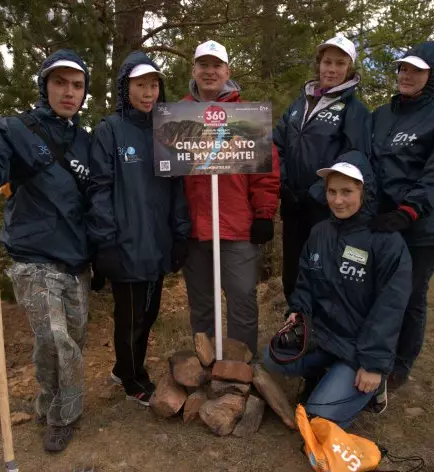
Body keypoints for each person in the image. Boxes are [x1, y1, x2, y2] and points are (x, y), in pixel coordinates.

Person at [0, 50, 93, 452]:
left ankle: (48, 400)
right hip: (34, 257)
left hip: (77, 260)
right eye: (60, 83)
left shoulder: (86, 142)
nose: (69, 92)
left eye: (77, 85)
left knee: (72, 340)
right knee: (55, 339)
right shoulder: (15, 131)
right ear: (44, 86)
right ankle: (63, 416)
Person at [264, 152, 411, 426]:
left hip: (359, 347)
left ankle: (373, 388)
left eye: (347, 191)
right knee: (271, 358)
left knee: (319, 418)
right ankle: (325, 373)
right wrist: (298, 311)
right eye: (331, 191)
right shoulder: (320, 232)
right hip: (323, 335)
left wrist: (374, 364)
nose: (337, 200)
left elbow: (390, 308)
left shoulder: (386, 241)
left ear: (365, 190)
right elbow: (305, 281)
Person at [87, 51, 191, 405]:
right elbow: (99, 188)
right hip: (125, 243)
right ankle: (133, 380)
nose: (148, 93)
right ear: (125, 88)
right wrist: (105, 243)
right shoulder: (109, 130)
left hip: (158, 242)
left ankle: (123, 367)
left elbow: (177, 186)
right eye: (140, 85)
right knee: (129, 317)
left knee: (148, 313)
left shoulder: (167, 129)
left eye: (153, 85)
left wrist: (180, 234)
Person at [370, 41, 434, 388]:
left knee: (409, 294)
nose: (407, 75)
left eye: (416, 70)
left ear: (432, 76)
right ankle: (374, 354)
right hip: (384, 224)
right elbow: (367, 165)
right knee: (380, 292)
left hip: (423, 228)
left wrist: (408, 210)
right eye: (403, 68)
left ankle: (399, 365)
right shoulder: (381, 115)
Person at [181, 40, 280, 357]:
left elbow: (266, 172)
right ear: (194, 70)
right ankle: (206, 366)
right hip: (195, 230)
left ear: (227, 71)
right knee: (201, 306)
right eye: (203, 65)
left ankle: (240, 371)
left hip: (237, 227)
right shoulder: (176, 115)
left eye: (216, 65)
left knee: (241, 302)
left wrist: (264, 213)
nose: (209, 72)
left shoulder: (249, 117)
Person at [273, 35, 372, 301]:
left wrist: (317, 192)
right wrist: (283, 184)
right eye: (327, 62)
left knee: (322, 270)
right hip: (293, 204)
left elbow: (355, 157)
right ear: (319, 64)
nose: (332, 69)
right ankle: (294, 328)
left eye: (340, 63)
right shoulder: (298, 104)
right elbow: (277, 145)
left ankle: (323, 334)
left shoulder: (354, 110)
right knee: (293, 272)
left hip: (327, 206)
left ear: (349, 68)